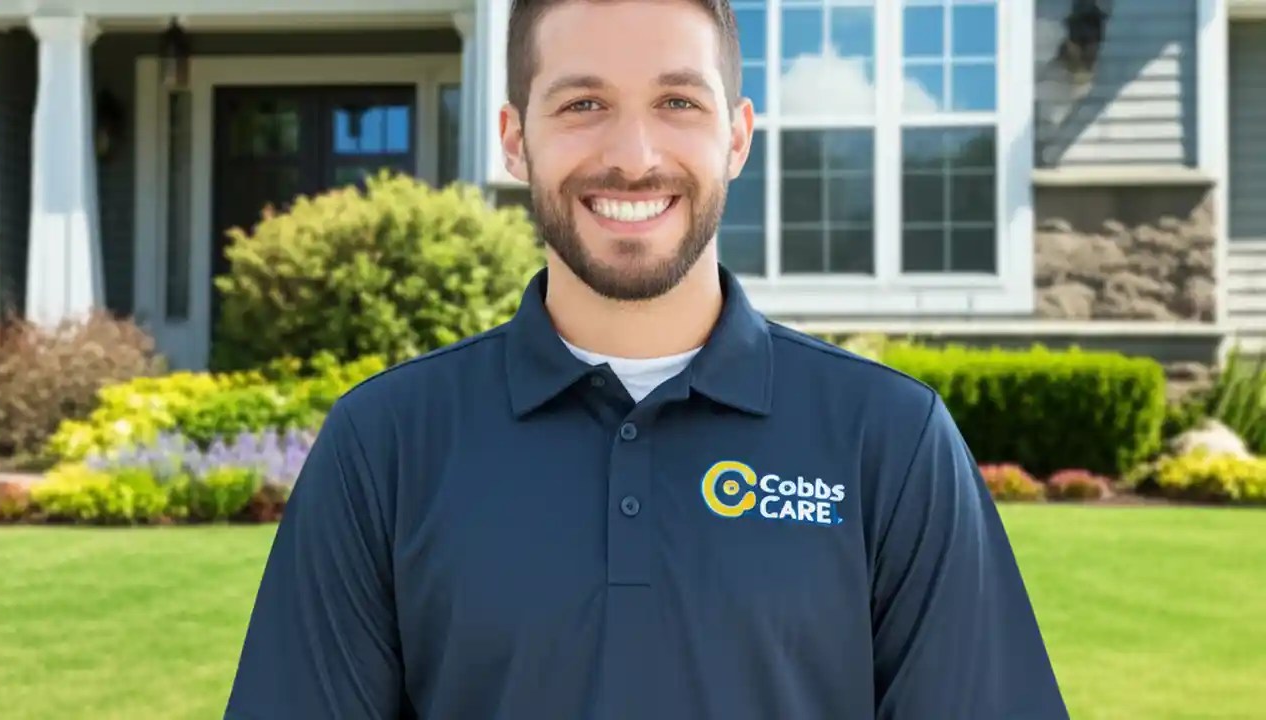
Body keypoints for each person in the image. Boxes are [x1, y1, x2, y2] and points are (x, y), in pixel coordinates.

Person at [224, 0, 1070, 716]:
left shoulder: (888, 439)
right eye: (584, 104)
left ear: (737, 138)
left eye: (678, 102)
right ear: (515, 139)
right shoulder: (386, 445)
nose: (633, 155)